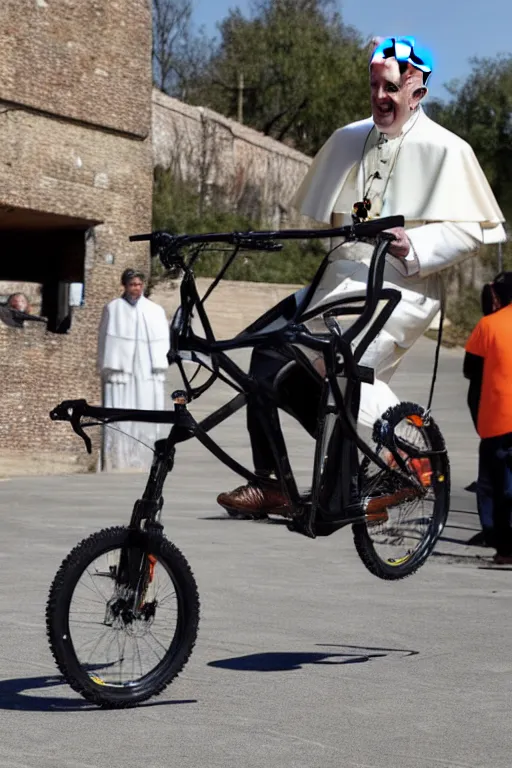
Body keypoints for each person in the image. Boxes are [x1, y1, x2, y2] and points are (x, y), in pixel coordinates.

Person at [217, 35, 506, 517]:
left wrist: (415, 245)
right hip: (336, 284)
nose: (379, 97)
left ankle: (402, 457)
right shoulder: (350, 138)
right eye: (374, 85)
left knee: (338, 368)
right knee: (265, 357)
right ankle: (274, 483)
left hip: (400, 286)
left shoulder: (446, 149)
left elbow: (471, 230)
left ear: (418, 91)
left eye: (390, 87)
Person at [98, 269, 170, 470]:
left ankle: (147, 457)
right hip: (122, 372)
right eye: (132, 285)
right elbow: (105, 342)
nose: (136, 288)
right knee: (121, 411)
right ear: (125, 286)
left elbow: (163, 345)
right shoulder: (113, 309)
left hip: (147, 370)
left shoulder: (155, 310)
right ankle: (117, 458)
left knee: (147, 409)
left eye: (139, 284)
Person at [464, 273, 512, 561]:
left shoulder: (488, 325)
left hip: (499, 422)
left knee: (494, 486)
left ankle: (504, 548)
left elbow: (471, 371)